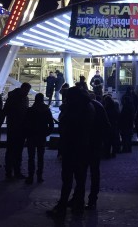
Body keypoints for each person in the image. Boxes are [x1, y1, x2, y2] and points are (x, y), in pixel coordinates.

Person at [47, 86, 94, 219]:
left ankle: (62, 206)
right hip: (83, 147)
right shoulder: (88, 107)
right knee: (80, 178)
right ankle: (78, 205)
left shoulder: (72, 109)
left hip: (71, 147)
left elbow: (66, 127)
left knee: (67, 179)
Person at [24, 93, 54, 185]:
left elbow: (25, 123)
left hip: (31, 136)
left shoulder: (30, 110)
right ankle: (39, 176)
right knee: (40, 157)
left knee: (31, 157)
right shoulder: (46, 110)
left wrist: (27, 133)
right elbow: (51, 124)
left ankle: (30, 176)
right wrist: (46, 133)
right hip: (41, 136)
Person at [3, 82, 30, 179]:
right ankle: (14, 171)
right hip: (18, 127)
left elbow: (5, 111)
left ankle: (10, 171)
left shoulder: (13, 97)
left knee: (12, 150)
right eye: (27, 90)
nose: (27, 93)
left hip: (14, 126)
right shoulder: (24, 99)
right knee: (16, 150)